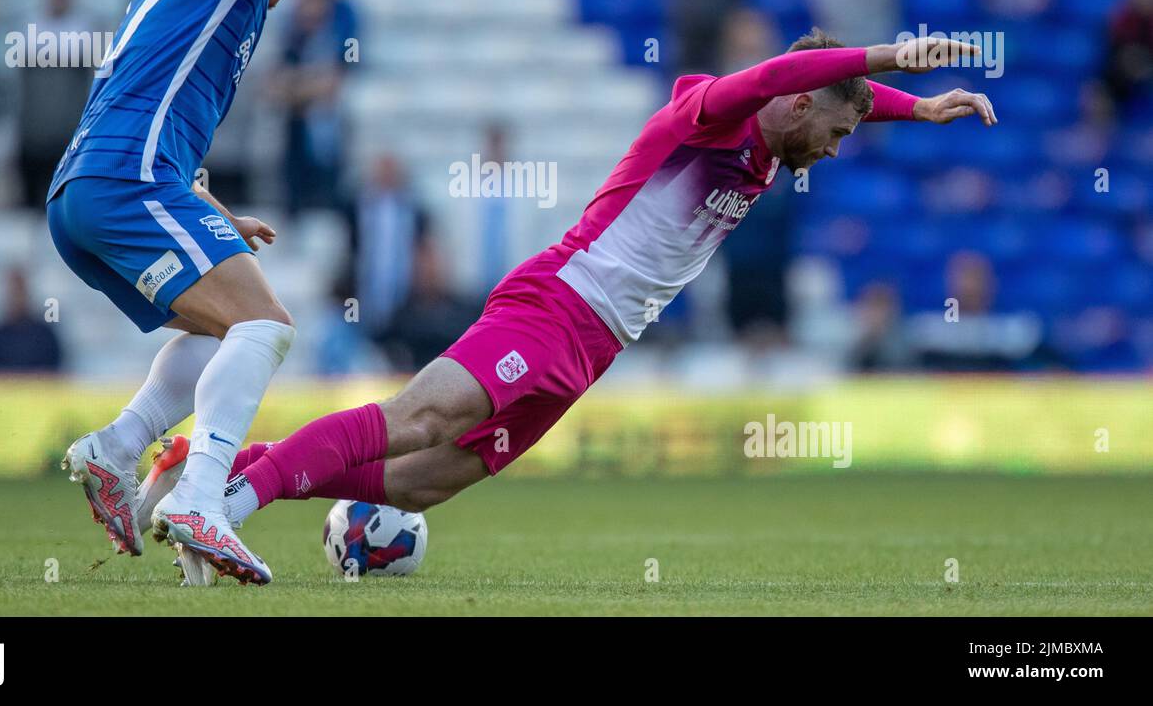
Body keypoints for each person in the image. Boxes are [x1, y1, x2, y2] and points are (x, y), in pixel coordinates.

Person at [142, 31, 998, 585]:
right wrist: (890, 59)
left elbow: (823, 94)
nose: (836, 148)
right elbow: (782, 73)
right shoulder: (707, 116)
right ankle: (224, 509)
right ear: (803, 104)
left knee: (424, 480)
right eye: (838, 132)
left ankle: (207, 467)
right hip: (558, 299)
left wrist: (914, 107)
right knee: (421, 419)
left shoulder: (782, 141)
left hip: (598, 343)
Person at [46, 0, 475, 585]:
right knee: (264, 325)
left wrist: (205, 206)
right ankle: (203, 496)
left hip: (88, 193)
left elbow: (140, 99)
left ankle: (117, 447)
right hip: (126, 183)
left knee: (219, 330)